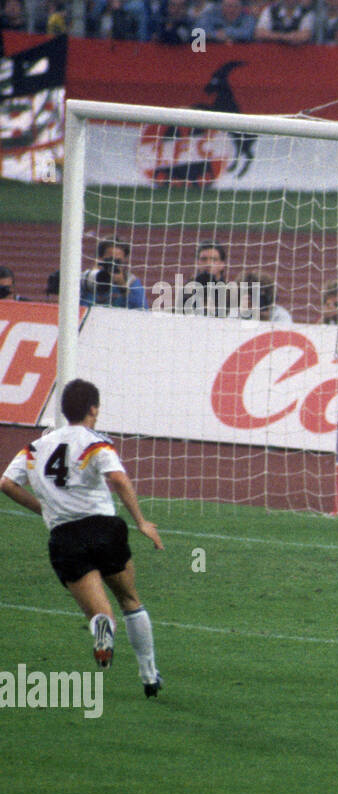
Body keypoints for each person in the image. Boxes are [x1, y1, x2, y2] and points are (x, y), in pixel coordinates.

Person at [1, 379, 163, 697]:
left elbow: (6, 483)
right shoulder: (95, 442)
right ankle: (148, 675)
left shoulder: (36, 446)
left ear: (64, 409)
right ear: (93, 408)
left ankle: (102, 628)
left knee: (100, 613)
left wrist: (43, 508)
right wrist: (141, 522)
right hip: (103, 529)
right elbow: (117, 478)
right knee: (130, 601)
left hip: (64, 537)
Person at [79, 238, 146, 310]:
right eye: (109, 260)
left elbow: (143, 311)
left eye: (118, 261)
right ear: (99, 259)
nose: (113, 264)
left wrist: (123, 287)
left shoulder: (131, 282)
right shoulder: (86, 279)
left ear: (124, 261)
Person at [186, 241, 235, 318]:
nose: (208, 264)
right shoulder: (188, 290)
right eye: (203, 259)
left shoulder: (230, 293)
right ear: (197, 263)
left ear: (222, 264)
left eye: (213, 260)